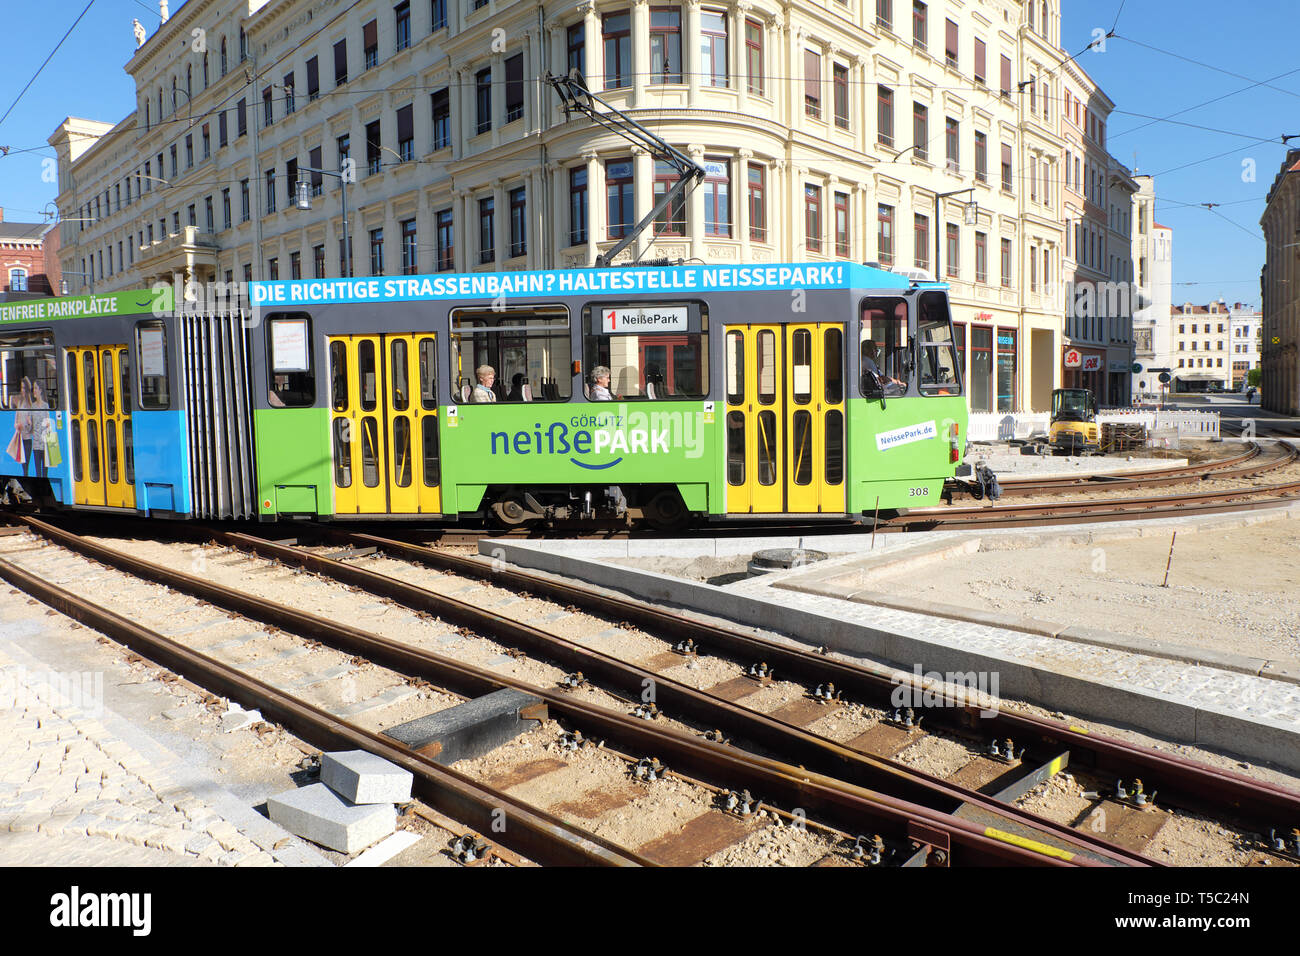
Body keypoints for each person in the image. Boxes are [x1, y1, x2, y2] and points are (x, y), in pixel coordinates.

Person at [28, 381, 50, 479]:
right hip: (36, 444)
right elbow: (30, 427)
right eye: (33, 388)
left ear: (40, 391)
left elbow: (48, 424)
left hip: (45, 443)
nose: (34, 390)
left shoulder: (46, 406)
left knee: (45, 471)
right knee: (38, 472)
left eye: (36, 388)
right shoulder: (32, 406)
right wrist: (29, 423)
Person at [14, 377, 35, 478]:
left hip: (27, 439)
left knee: (26, 464)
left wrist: (29, 423)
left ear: (27, 390)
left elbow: (33, 427)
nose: (22, 390)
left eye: (24, 388)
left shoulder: (31, 405)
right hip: (20, 439)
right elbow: (15, 421)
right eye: (21, 388)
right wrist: (17, 425)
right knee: (23, 464)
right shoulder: (19, 403)